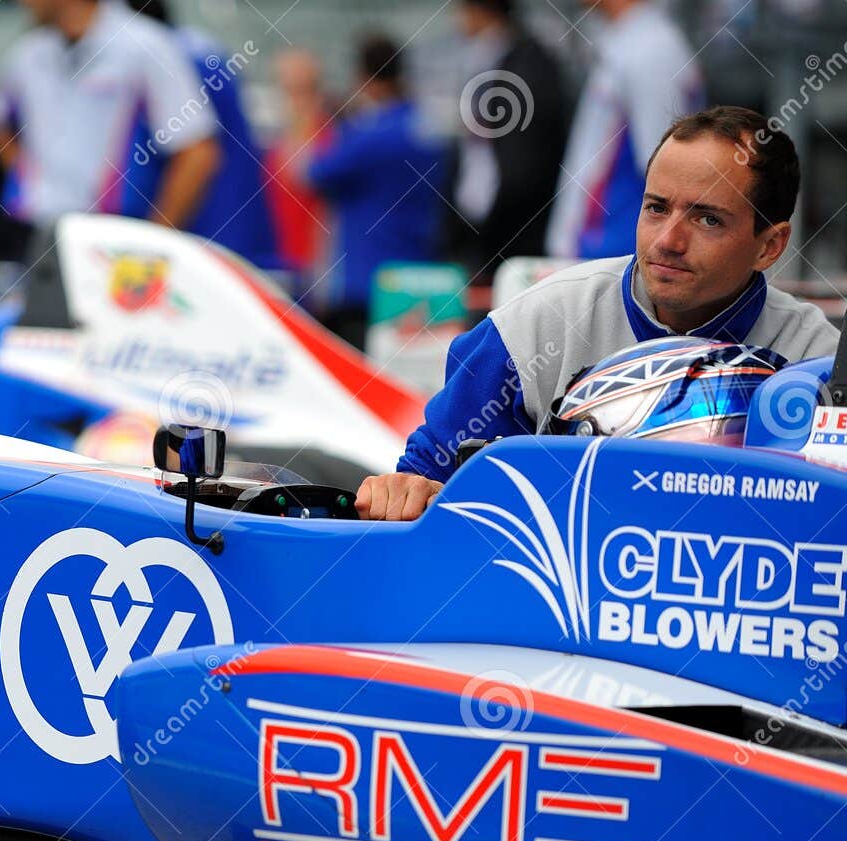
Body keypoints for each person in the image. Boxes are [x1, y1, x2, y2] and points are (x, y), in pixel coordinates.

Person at [357, 107, 838, 522]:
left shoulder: (820, 363)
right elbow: (429, 480)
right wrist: (409, 490)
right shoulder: (532, 326)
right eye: (656, 208)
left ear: (770, 245)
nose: (668, 240)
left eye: (708, 219)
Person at [0, 0, 222, 235]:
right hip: (35, 229)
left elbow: (197, 152)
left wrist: (154, 237)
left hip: (113, 234)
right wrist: (29, 179)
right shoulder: (28, 52)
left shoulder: (145, 46)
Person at [305, 35, 448, 349]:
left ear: (364, 79)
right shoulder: (427, 129)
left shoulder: (371, 135)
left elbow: (313, 173)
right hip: (419, 278)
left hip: (366, 283)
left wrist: (335, 120)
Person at [116, 0, 276, 269]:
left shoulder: (168, 61)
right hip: (237, 225)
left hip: (204, 233)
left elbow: (198, 157)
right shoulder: (200, 49)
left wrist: (149, 245)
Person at [545, 0, 702, 260]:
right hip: (600, 247)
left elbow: (665, 168)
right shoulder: (631, 41)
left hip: (616, 251)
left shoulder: (652, 50)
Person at [447, 0, 570, 280]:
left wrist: (498, 222)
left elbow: (525, 162)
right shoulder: (483, 59)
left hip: (513, 230)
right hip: (480, 226)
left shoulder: (529, 64)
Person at [265, 50, 333, 279]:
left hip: (313, 270)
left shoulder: (332, 142)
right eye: (287, 91)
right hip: (278, 262)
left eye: (302, 91)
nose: (294, 102)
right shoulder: (276, 143)